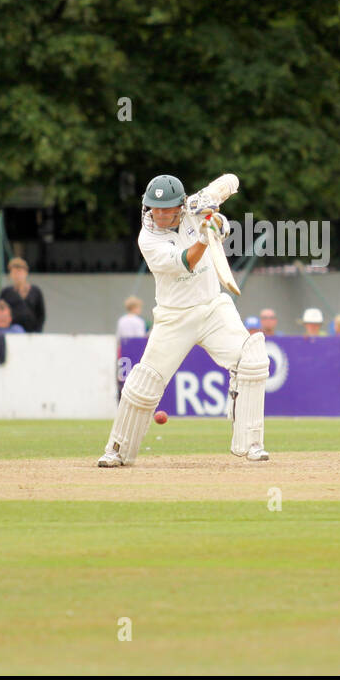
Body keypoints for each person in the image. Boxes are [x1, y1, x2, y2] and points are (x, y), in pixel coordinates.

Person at [97, 174, 269, 467]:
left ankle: (250, 444)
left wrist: (218, 222)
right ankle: (118, 450)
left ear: (179, 205)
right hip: (174, 316)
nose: (160, 214)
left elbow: (231, 181)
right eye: (154, 208)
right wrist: (205, 236)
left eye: (166, 208)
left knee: (252, 360)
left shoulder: (194, 208)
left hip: (213, 307)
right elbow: (186, 262)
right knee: (145, 383)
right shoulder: (148, 239)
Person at [0, 257, 45, 333]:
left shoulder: (35, 292)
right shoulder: (6, 293)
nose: (17, 275)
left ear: (26, 272)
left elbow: (41, 315)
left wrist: (37, 331)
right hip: (11, 332)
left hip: (32, 333)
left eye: (19, 272)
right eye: (14, 272)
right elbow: (0, 313)